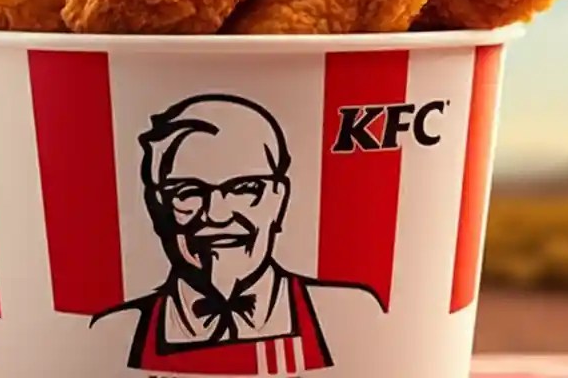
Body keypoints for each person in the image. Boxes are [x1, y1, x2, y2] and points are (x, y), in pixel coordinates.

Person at [91, 94, 382, 375]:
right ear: (156, 208)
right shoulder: (119, 330)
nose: (217, 215)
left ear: (279, 200)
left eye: (245, 189)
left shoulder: (347, 313)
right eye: (188, 192)